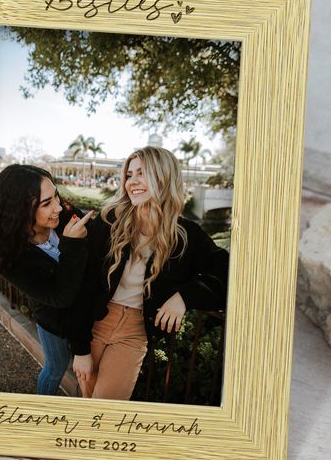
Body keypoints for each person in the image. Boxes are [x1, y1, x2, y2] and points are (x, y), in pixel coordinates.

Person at [74, 146, 229, 400]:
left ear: (163, 177)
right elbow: (83, 285)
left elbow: (228, 273)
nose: (131, 181)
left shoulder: (186, 234)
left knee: (105, 408)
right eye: (129, 174)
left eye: (141, 173)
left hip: (134, 332)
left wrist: (185, 297)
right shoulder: (110, 221)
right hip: (94, 324)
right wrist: (80, 349)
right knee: (88, 405)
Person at [0, 164, 93, 396]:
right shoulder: (9, 256)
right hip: (53, 320)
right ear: (21, 210)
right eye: (46, 203)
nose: (58, 207)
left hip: (87, 314)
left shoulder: (65, 217)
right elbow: (59, 296)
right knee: (55, 368)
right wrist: (72, 245)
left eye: (56, 197)